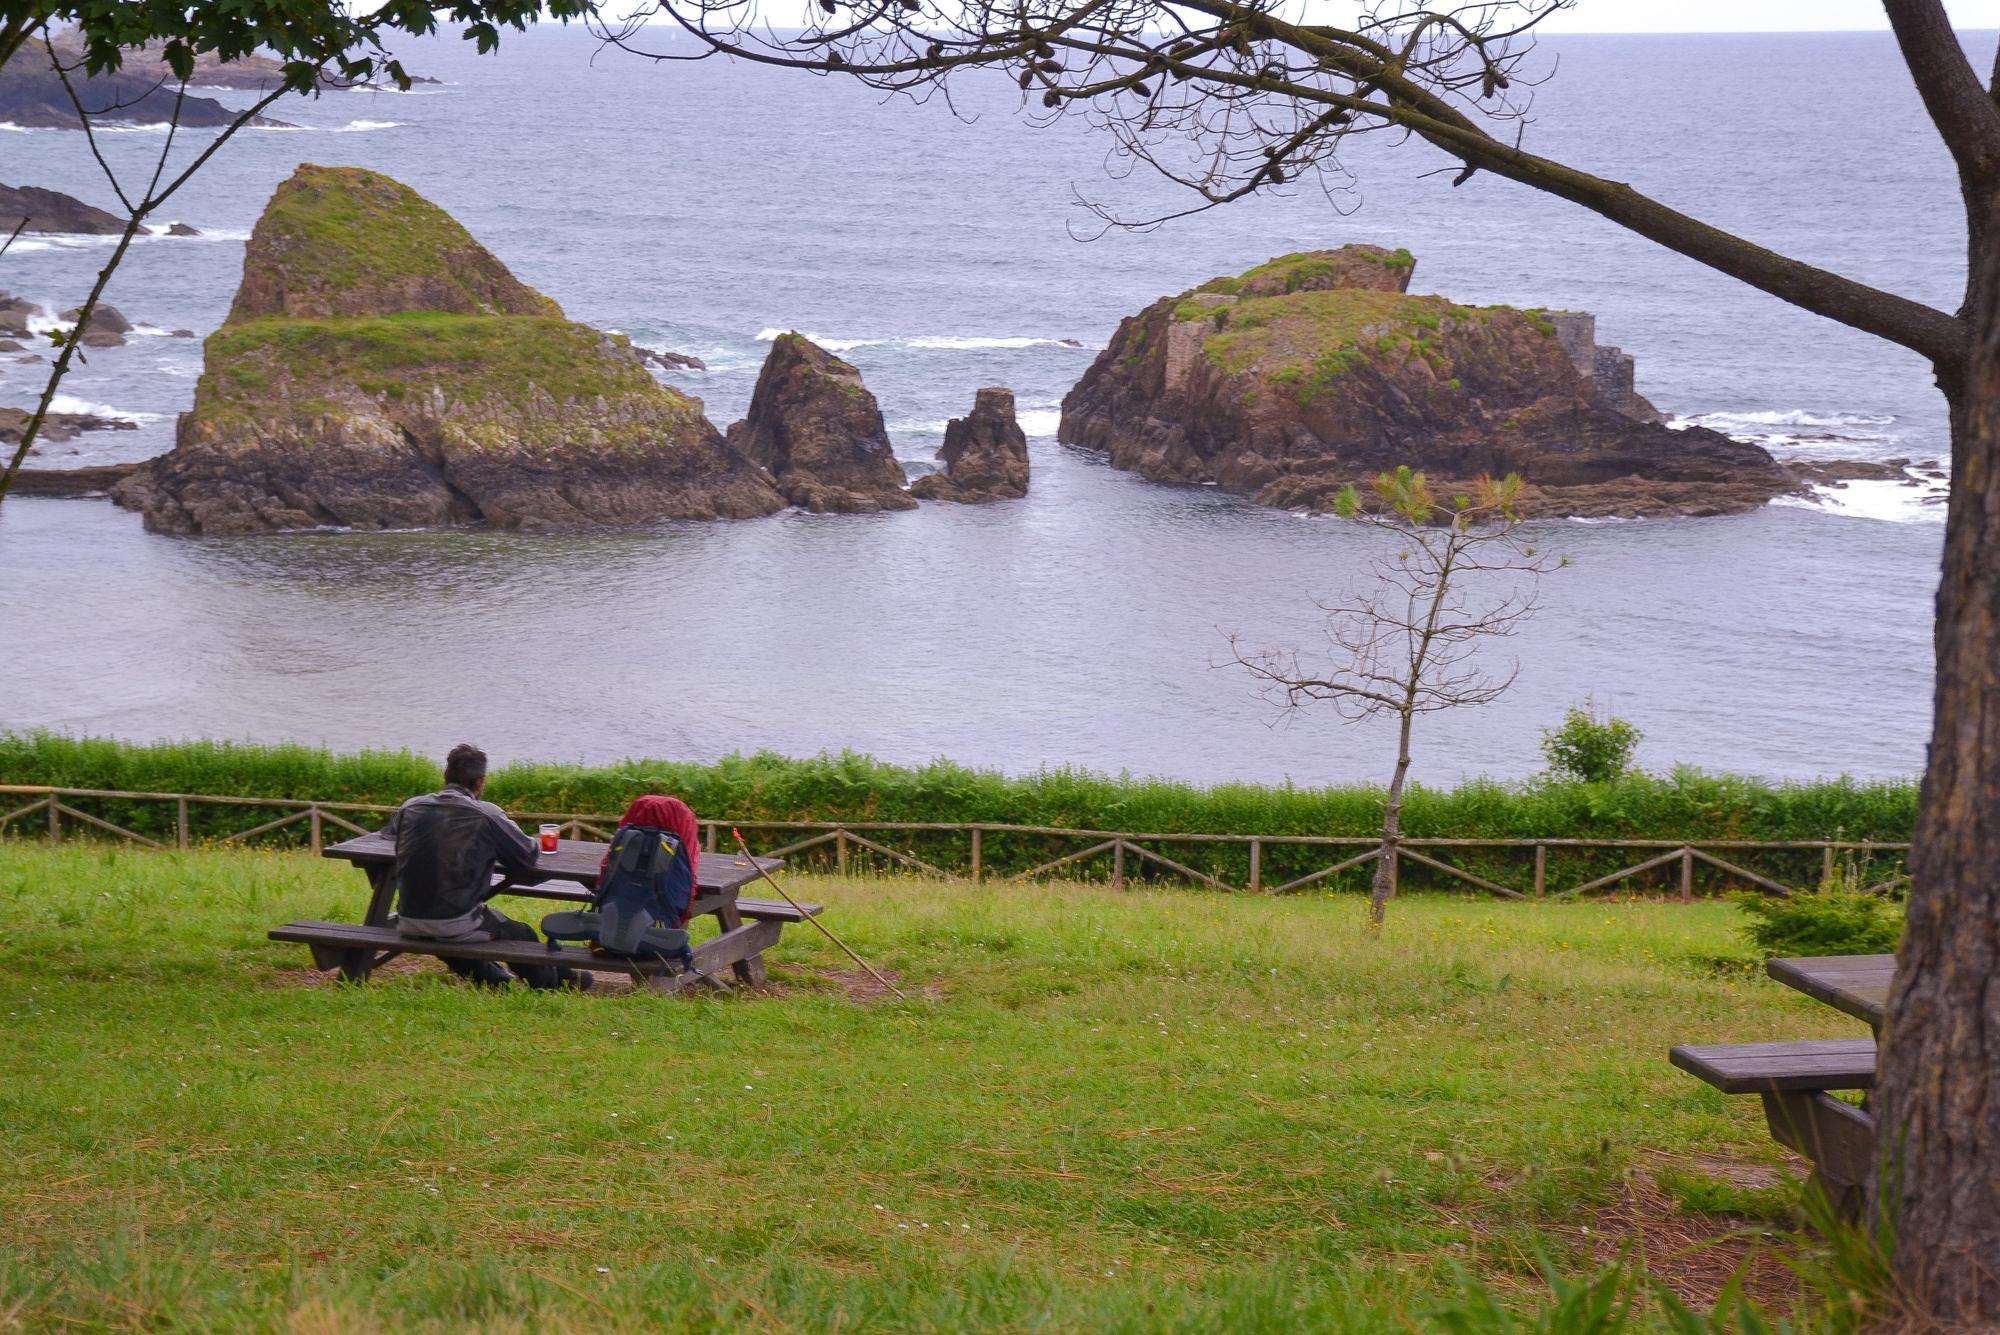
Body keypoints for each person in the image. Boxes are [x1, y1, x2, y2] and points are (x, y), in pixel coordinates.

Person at [382, 743, 587, 991]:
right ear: (480, 782)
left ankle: (498, 980)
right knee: (521, 933)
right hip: (454, 920)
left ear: (445, 776)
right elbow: (527, 855)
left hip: (407, 919)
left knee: (453, 935)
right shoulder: (486, 814)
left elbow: (389, 834)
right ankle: (553, 984)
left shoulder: (410, 807)